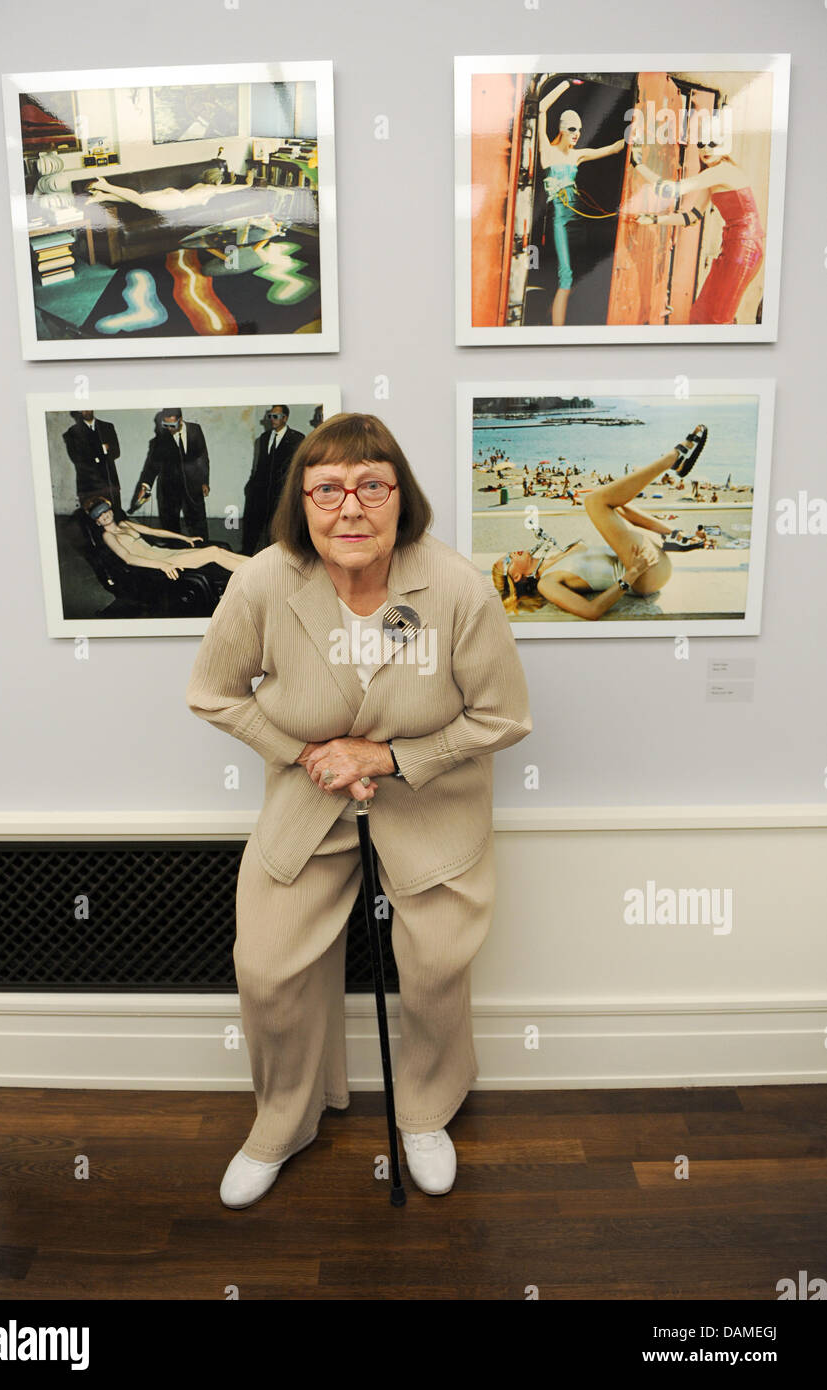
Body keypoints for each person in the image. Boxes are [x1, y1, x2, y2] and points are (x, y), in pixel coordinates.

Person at [186, 412, 533, 1207]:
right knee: (266, 967)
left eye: (372, 486)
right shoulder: (265, 580)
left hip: (432, 801)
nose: (350, 507)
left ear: (399, 499)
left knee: (436, 968)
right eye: (328, 489)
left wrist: (388, 757)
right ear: (302, 505)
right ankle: (281, 1121)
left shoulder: (453, 588)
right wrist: (307, 754)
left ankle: (423, 1112)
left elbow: (502, 717)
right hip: (308, 798)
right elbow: (211, 693)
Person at [492, 425, 708, 620]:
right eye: (509, 559)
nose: (514, 552)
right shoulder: (546, 583)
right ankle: (672, 459)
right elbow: (591, 611)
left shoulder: (551, 557)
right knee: (594, 502)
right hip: (645, 574)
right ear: (516, 576)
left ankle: (677, 536)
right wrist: (632, 574)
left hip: (648, 560)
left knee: (611, 502)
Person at [629, 128, 764, 325]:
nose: (705, 149)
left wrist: (638, 165)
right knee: (702, 314)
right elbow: (691, 217)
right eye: (701, 144)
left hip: (744, 248)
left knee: (716, 318)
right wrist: (655, 219)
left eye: (713, 143)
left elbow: (674, 190)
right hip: (735, 247)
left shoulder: (722, 171)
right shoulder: (712, 174)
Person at [537, 79, 627, 326]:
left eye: (579, 130)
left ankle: (554, 316)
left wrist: (636, 130)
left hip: (579, 218)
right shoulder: (549, 152)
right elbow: (541, 109)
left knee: (576, 275)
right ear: (563, 130)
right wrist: (565, 84)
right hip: (560, 221)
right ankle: (558, 334)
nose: (577, 135)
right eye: (572, 130)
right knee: (565, 277)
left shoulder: (578, 155)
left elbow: (614, 149)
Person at [83, 496, 246, 576]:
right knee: (214, 554)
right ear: (97, 522)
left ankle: (260, 568)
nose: (104, 516)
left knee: (215, 549)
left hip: (163, 552)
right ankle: (257, 574)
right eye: (99, 516)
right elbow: (128, 558)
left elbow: (155, 531)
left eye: (105, 511)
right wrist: (162, 565)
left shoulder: (125, 524)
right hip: (157, 562)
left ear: (110, 511)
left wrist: (185, 538)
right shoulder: (108, 536)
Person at [132, 409, 210, 544]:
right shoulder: (159, 440)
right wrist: (145, 486)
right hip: (169, 490)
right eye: (165, 425)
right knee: (171, 530)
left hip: (193, 487)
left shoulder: (195, 430)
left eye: (172, 425)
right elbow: (151, 467)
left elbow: (202, 458)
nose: (168, 429)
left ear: (180, 420)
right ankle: (175, 556)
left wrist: (204, 481)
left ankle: (204, 552)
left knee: (199, 527)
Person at [240, 405, 306, 556]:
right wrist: (251, 485)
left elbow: (298, 468)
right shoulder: (263, 438)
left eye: (276, 416)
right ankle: (245, 555)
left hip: (281, 493)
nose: (272, 420)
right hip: (259, 492)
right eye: (270, 416)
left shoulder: (297, 438)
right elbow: (258, 465)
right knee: (252, 526)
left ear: (285, 418)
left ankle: (274, 560)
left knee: (276, 529)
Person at [85, 168, 239, 212]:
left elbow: (225, 187)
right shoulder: (212, 190)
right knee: (142, 202)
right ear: (218, 181)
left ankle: (102, 196)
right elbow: (229, 189)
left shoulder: (201, 186)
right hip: (176, 200)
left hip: (173, 193)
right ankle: (104, 185)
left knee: (137, 198)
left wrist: (230, 181)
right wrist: (247, 184)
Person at [63, 411, 122, 518]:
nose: (85, 411)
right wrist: (103, 448)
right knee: (93, 518)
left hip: (109, 480)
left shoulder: (107, 427)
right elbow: (77, 459)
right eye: (82, 409)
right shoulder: (72, 432)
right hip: (88, 483)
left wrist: (93, 452)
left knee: (115, 514)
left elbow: (116, 452)